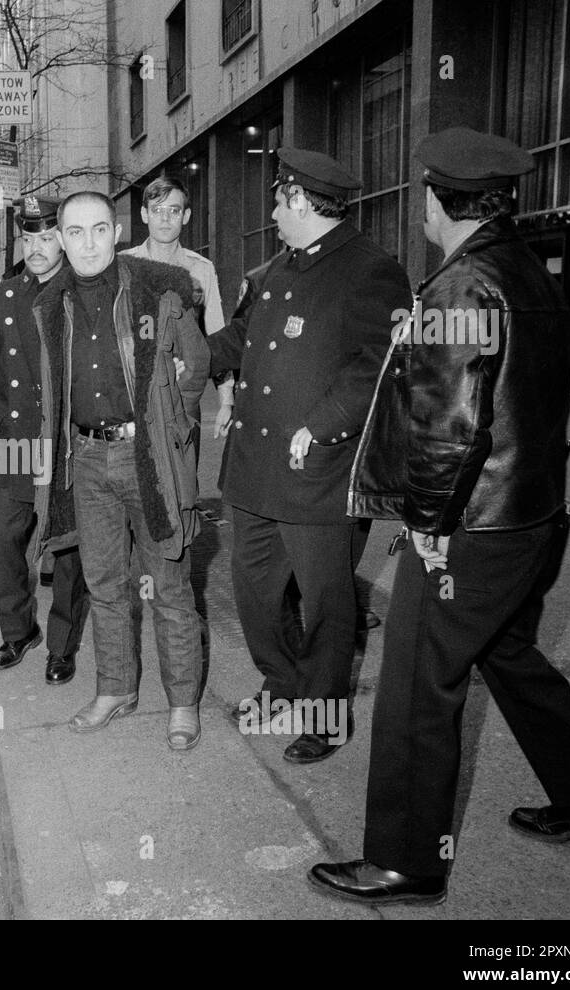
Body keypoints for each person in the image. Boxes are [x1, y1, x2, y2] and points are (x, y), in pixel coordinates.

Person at [310, 127, 570, 906]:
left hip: (471, 527)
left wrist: (426, 522)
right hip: (530, 515)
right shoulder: (526, 271)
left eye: (424, 192)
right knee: (510, 655)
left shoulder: (462, 286)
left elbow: (450, 427)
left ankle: (405, 861)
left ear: (440, 200)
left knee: (419, 689)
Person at [205, 148, 411, 764]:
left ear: (300, 201)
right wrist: (186, 351)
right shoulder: (274, 271)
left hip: (317, 469)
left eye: (278, 200)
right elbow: (242, 338)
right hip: (254, 469)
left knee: (326, 601)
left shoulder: (371, 271)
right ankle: (283, 681)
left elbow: (376, 365)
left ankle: (324, 713)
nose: (272, 212)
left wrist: (321, 425)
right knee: (255, 592)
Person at [29, 190, 210, 750]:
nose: (88, 243)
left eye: (99, 230)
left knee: (170, 585)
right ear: (60, 238)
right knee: (104, 584)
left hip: (146, 456)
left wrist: (167, 419)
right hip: (85, 458)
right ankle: (115, 689)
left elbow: (197, 364)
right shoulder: (49, 303)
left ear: (116, 230)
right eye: (76, 232)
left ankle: (182, 703)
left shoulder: (157, 289)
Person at [0, 196, 90, 685]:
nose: (35, 247)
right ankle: (18, 630)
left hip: (65, 443)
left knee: (70, 549)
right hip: (8, 440)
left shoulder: (81, 293)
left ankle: (62, 644)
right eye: (28, 237)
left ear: (64, 239)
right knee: (1, 541)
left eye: (47, 237)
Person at [122, 174, 236, 452]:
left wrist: (227, 399)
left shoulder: (201, 269)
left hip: (184, 394)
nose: (165, 219)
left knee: (184, 486)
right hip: (132, 393)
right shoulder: (123, 266)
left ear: (185, 216)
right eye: (157, 210)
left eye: (173, 210)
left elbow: (216, 335)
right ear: (144, 214)